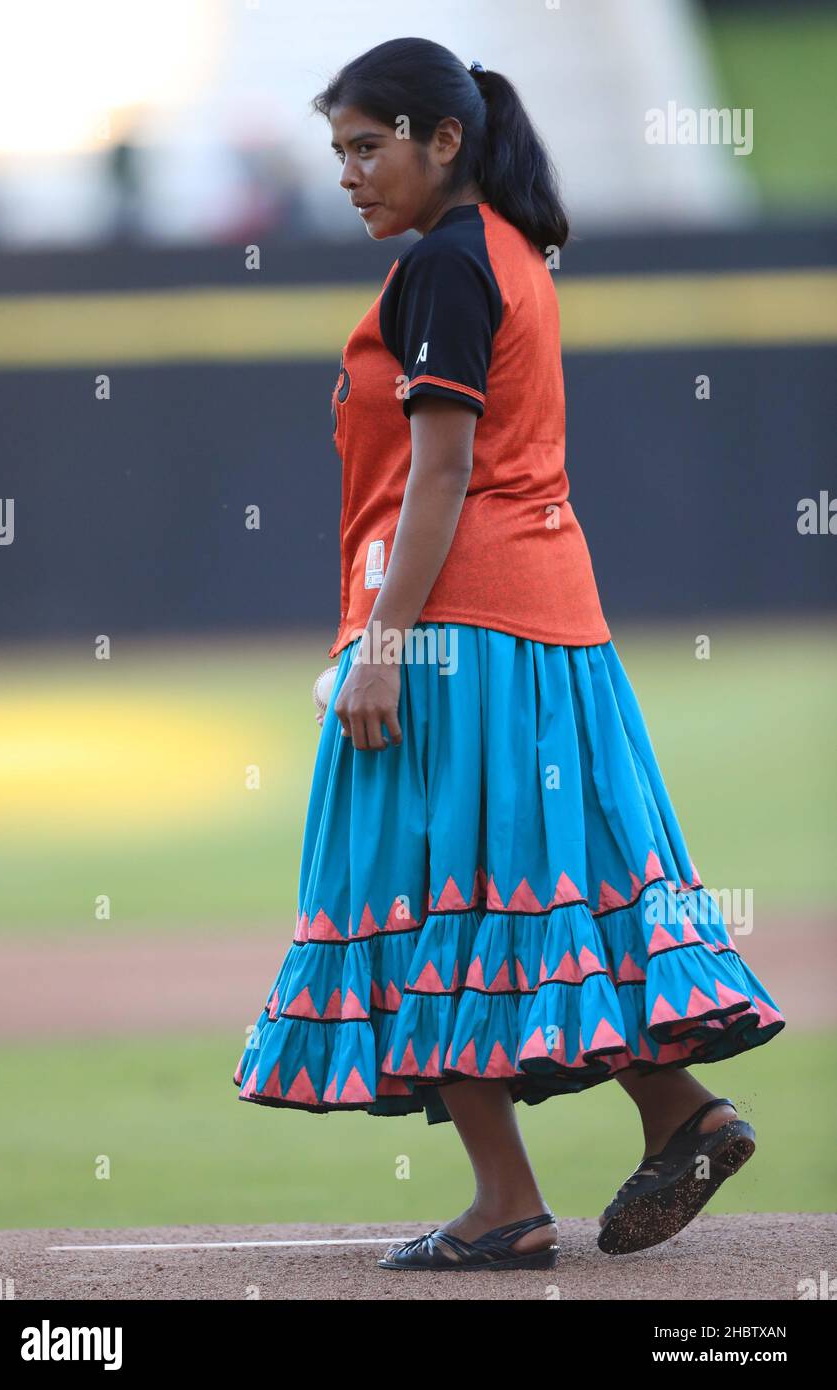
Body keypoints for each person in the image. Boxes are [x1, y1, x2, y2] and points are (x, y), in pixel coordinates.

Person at [232, 37, 785, 1273]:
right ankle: (676, 1112)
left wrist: (383, 646)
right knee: (546, 881)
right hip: (547, 626)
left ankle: (503, 1203)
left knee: (416, 891)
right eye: (337, 152)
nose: (350, 174)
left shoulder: (441, 265)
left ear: (444, 139)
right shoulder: (510, 254)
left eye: (368, 146)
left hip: (454, 633)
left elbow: (441, 472)